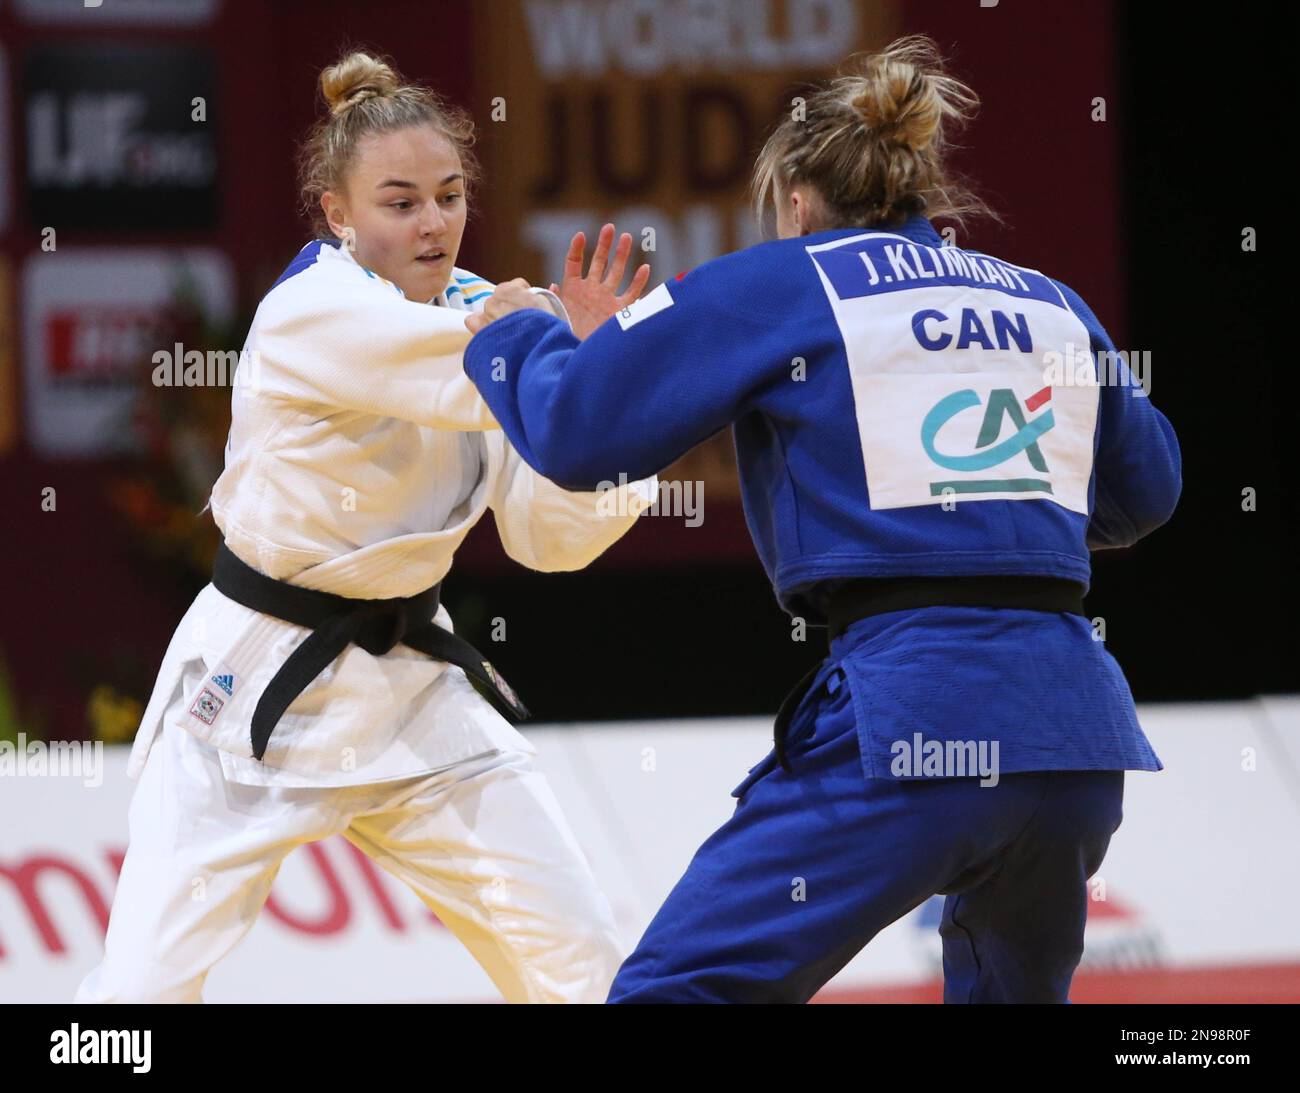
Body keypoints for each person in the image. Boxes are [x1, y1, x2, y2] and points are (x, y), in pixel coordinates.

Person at [461, 35, 1182, 1003]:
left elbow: (577, 434)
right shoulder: (1051, 303)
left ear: (797, 202)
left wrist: (518, 336)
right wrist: (986, 511)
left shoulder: (782, 280)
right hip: (1074, 738)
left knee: (680, 992)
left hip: (911, 715)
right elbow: (1147, 495)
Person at [76, 50, 653, 1004]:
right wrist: (579, 352)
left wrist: (608, 411)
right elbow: (465, 369)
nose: (434, 223)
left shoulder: (490, 317)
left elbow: (548, 539)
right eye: (400, 202)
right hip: (257, 686)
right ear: (339, 215)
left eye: (450, 195)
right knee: (140, 995)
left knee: (583, 962)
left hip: (414, 687)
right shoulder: (313, 313)